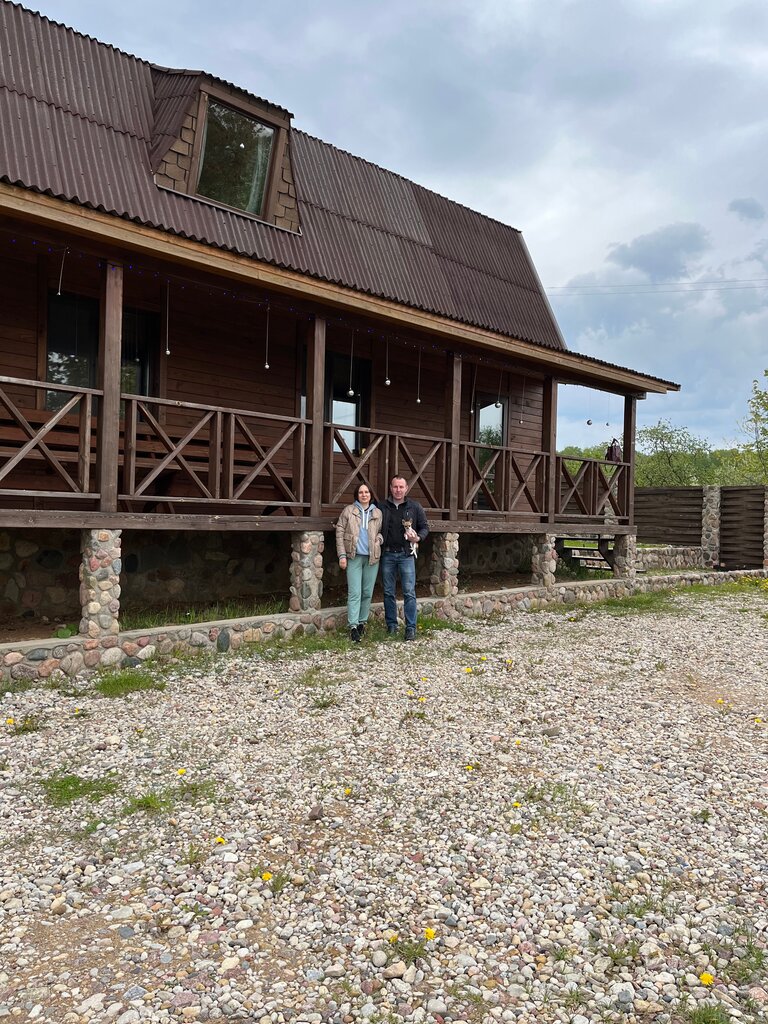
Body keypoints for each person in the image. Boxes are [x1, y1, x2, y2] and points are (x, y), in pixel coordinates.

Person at [379, 475, 429, 640]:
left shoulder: (414, 507)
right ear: (390, 488)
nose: (398, 490)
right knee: (388, 592)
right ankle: (391, 625)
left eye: (401, 487)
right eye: (395, 487)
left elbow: (424, 527)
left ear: (406, 488)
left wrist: (418, 538)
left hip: (406, 554)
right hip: (387, 554)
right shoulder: (382, 506)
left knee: (409, 592)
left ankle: (411, 627)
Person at [335, 482, 383, 642]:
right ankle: (353, 626)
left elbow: (382, 532)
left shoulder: (377, 512)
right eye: (361, 492)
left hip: (372, 558)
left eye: (367, 492)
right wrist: (342, 555)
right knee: (354, 592)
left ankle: (362, 622)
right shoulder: (349, 511)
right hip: (354, 557)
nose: (364, 494)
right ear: (357, 495)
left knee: (367, 592)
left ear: (370, 494)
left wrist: (379, 540)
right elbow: (339, 532)